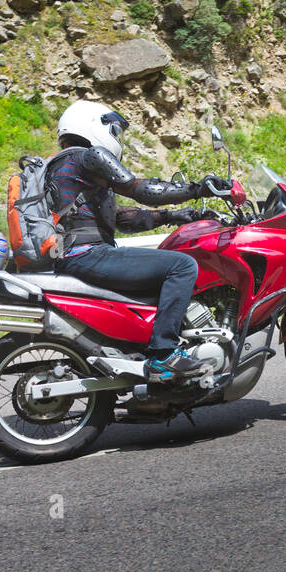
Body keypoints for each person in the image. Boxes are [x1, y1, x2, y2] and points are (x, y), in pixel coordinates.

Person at [47, 100, 230, 381]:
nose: (117, 139)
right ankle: (164, 355)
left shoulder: (69, 167)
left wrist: (178, 215)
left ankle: (144, 348)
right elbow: (141, 190)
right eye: (115, 131)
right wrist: (197, 189)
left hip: (75, 253)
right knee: (182, 266)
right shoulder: (89, 156)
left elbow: (123, 218)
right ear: (95, 126)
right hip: (86, 253)